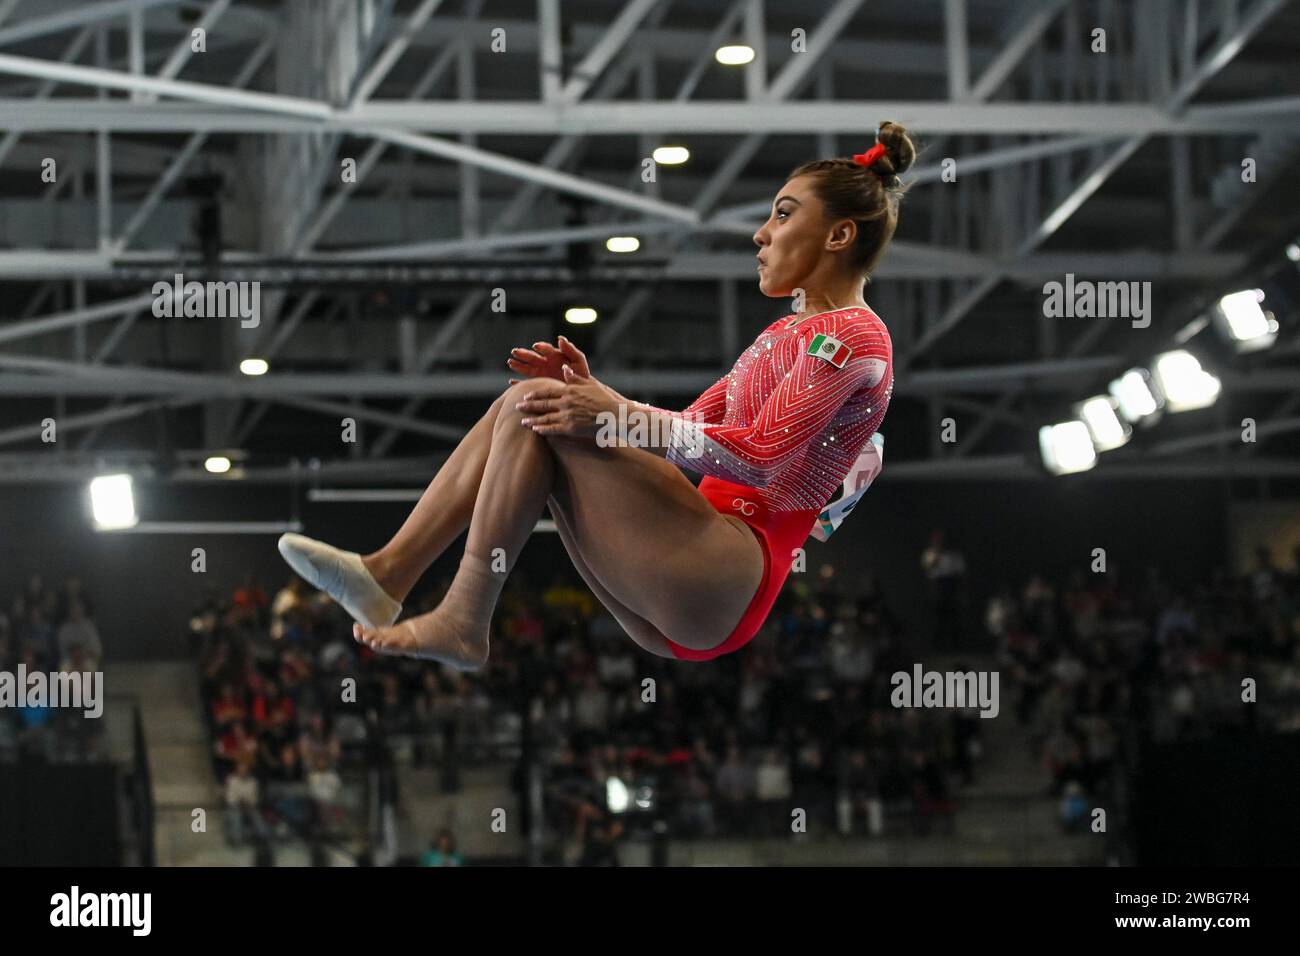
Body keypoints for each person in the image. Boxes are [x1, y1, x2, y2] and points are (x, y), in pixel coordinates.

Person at [277, 123, 913, 668]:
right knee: (534, 404)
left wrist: (614, 414)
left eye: (782, 213)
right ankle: (388, 576)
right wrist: (594, 399)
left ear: (838, 237)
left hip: (727, 567)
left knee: (538, 407)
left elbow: (758, 458)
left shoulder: (855, 334)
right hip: (689, 582)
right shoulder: (788, 333)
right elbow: (690, 433)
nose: (760, 234)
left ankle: (457, 614)